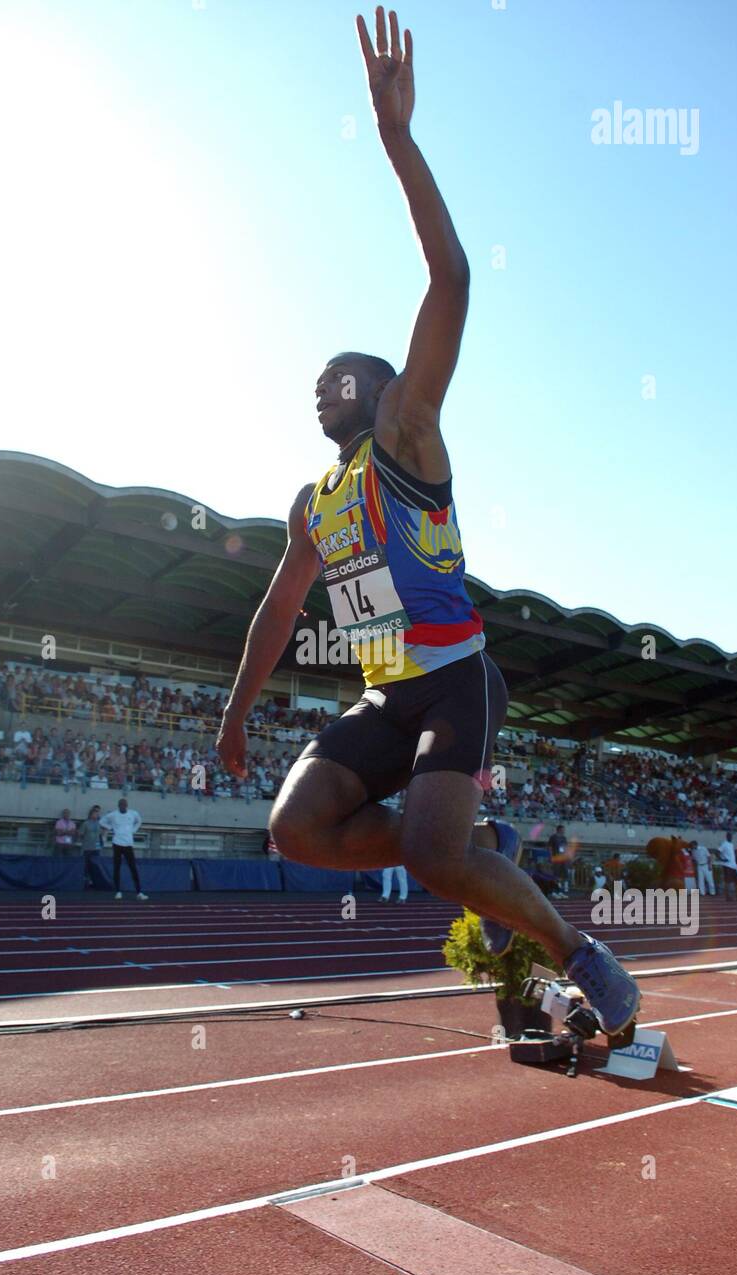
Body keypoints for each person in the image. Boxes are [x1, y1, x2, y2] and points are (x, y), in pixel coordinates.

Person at [215, 8, 639, 1038]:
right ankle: (449, 832)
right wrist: (234, 714)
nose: (324, 383)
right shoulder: (312, 505)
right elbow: (278, 612)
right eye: (313, 382)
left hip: (455, 678)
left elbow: (450, 276)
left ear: (388, 383)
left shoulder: (409, 434)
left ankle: (577, 950)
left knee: (441, 860)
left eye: (342, 371)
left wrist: (397, 139)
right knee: (298, 829)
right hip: (385, 694)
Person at [100, 798, 148, 901]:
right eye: (121, 805)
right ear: (118, 805)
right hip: (117, 843)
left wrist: (133, 830)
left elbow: (139, 821)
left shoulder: (133, 813)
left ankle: (139, 892)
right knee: (116, 868)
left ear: (127, 805)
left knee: (133, 868)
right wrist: (110, 827)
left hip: (128, 844)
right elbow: (102, 821)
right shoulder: (113, 815)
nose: (123, 806)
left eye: (124, 805)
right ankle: (118, 891)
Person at [81, 805, 104, 890]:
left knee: (96, 865)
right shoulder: (85, 823)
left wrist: (101, 843)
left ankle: (95, 881)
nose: (96, 815)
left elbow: (100, 834)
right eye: (95, 813)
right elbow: (81, 834)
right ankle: (85, 881)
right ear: (91, 814)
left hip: (96, 848)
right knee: (86, 865)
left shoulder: (99, 824)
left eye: (97, 814)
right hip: (87, 847)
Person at [716, 833, 737, 902]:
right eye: (729, 836)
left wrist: (736, 851)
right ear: (727, 837)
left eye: (731, 836)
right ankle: (728, 897)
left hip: (734, 865)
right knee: (728, 882)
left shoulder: (731, 844)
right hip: (727, 865)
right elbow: (717, 852)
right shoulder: (724, 844)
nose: (730, 837)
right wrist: (722, 859)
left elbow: (731, 854)